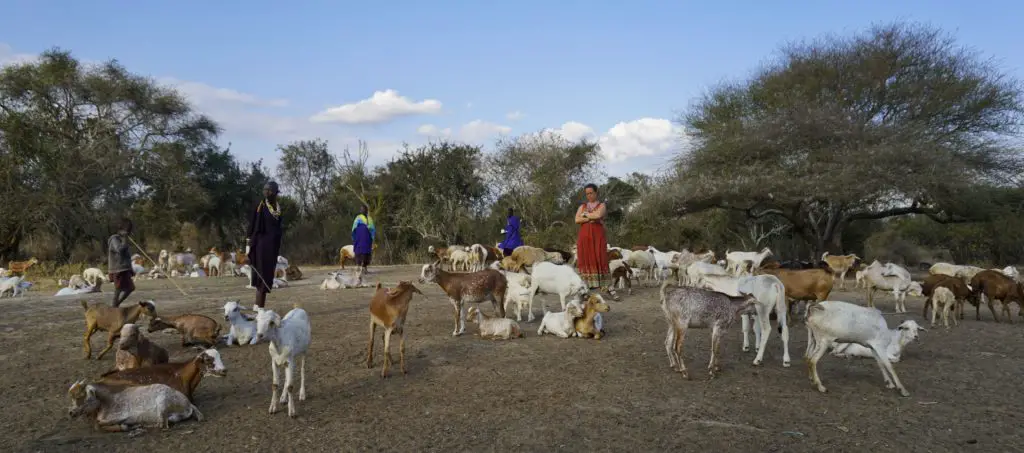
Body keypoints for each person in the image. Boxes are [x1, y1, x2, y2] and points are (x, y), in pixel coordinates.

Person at [574, 183, 619, 301]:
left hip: (598, 237)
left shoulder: (601, 205)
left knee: (601, 259)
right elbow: (577, 219)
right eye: (587, 194)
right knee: (586, 260)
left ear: (596, 192)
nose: (589, 195)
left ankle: (609, 288)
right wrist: (590, 217)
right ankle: (585, 290)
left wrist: (586, 216)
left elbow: (599, 214)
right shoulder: (582, 206)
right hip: (584, 238)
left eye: (591, 193)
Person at [247, 181, 284, 308]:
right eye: (264, 190)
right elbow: (252, 225)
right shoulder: (260, 206)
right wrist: (248, 243)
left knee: (267, 277)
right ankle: (258, 308)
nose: (266, 192)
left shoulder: (278, 208)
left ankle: (259, 306)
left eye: (269, 190)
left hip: (272, 247)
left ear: (275, 192)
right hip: (260, 245)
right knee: (261, 277)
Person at [107, 218, 135, 307]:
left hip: (125, 268)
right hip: (118, 269)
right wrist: (125, 238)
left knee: (131, 288)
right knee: (118, 289)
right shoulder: (114, 239)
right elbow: (119, 250)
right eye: (128, 229)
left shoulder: (122, 239)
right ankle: (114, 306)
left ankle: (116, 304)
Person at [351, 205, 375, 275]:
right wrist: (354, 236)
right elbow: (354, 228)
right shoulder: (357, 218)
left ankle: (365, 268)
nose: (363, 210)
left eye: (364, 209)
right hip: (359, 237)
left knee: (366, 252)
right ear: (360, 211)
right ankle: (358, 267)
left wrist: (369, 228)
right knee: (358, 251)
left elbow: (372, 228)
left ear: (367, 210)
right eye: (361, 209)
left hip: (367, 238)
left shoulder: (369, 218)